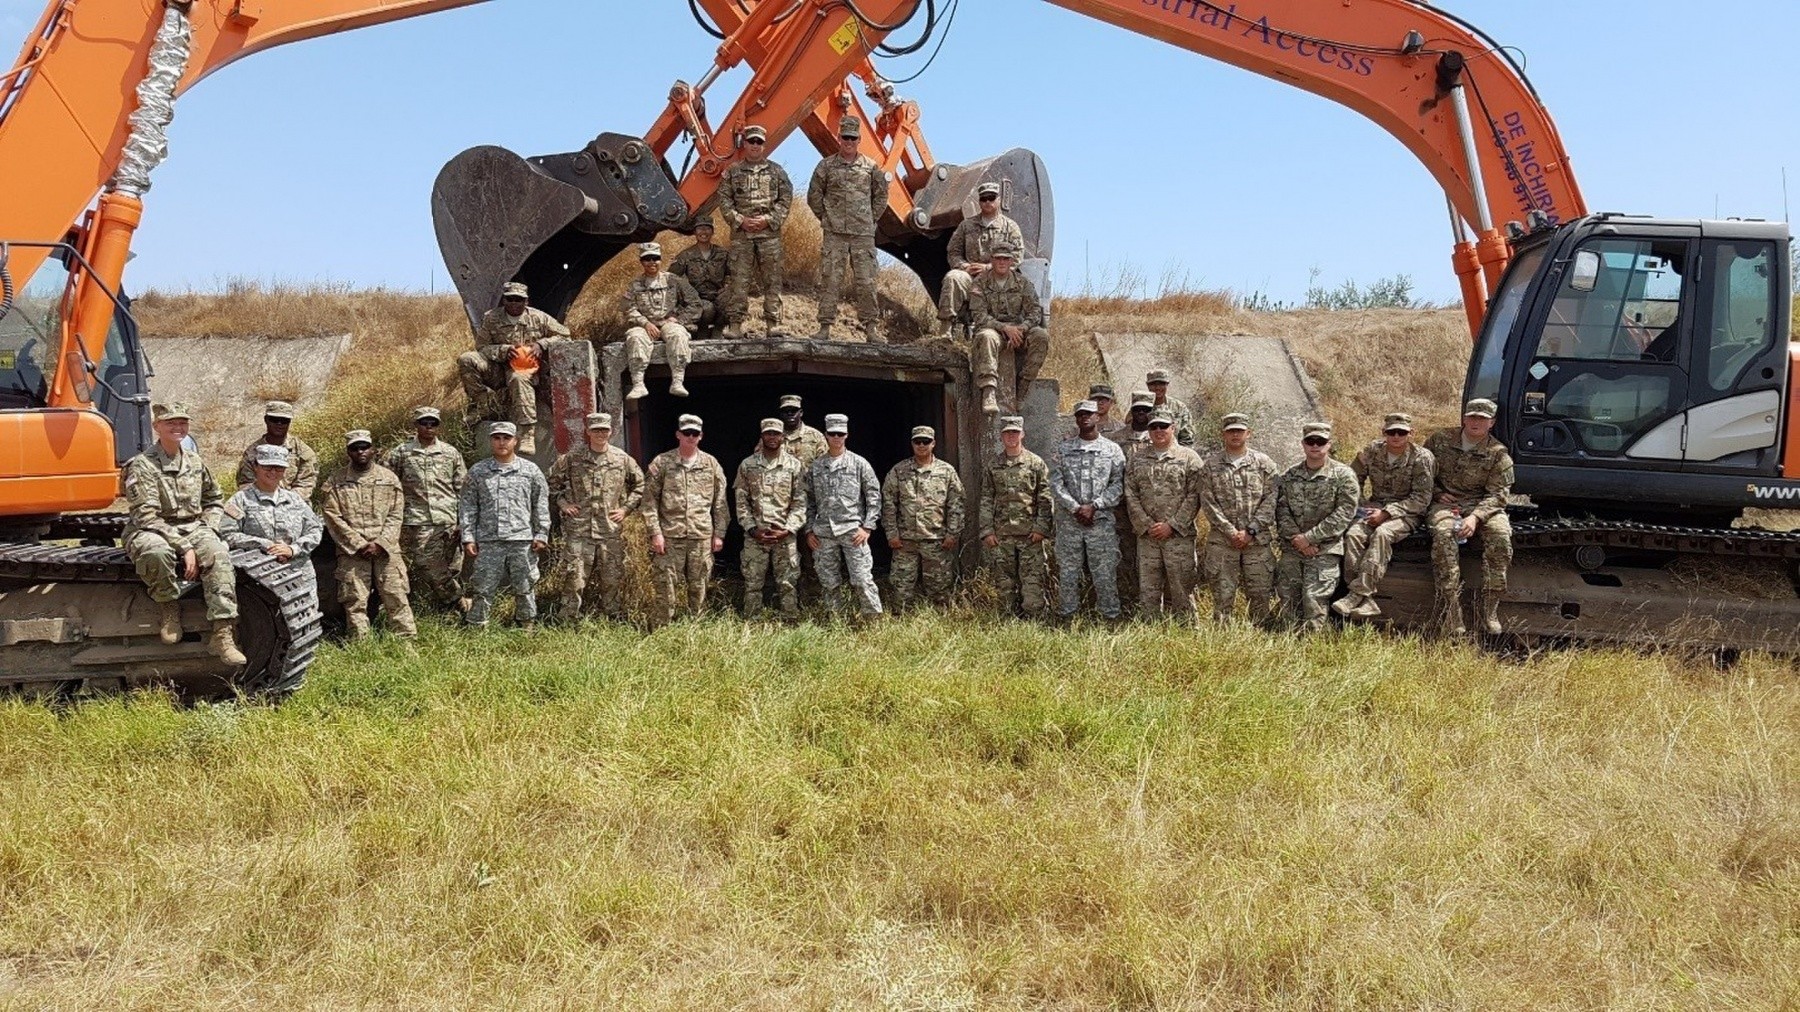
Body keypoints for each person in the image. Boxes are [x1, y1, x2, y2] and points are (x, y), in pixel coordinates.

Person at [124, 402, 245, 664]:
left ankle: (222, 633)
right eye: (171, 423)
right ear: (157, 427)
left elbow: (214, 499)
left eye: (182, 422)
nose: (178, 427)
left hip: (193, 526)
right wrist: (185, 547)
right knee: (156, 552)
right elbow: (146, 516)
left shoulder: (194, 461)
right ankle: (168, 605)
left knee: (218, 554)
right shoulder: (142, 465)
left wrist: (209, 528)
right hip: (151, 528)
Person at [1424, 398, 1515, 635]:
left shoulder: (1498, 454)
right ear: (1464, 418)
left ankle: (1490, 608)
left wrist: (1475, 517)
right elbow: (1421, 473)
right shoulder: (1439, 440)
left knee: (1501, 535)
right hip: (1445, 502)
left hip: (1482, 504)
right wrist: (1437, 492)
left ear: (1491, 422)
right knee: (1443, 534)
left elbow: (1499, 494)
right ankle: (1452, 608)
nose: (1476, 422)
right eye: (1472, 417)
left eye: (1482, 419)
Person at [1332, 412, 1435, 620]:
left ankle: (1357, 594)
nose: (1396, 436)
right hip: (1376, 506)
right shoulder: (1372, 451)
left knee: (1382, 534)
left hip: (1407, 512)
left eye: (1401, 432)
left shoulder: (1422, 458)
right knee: (1353, 535)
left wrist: (1387, 513)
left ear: (1411, 433)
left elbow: (1422, 498)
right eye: (1391, 432)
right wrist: (1362, 504)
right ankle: (1364, 599)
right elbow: (1352, 480)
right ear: (1384, 432)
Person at [319, 429, 417, 640]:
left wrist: (381, 543)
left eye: (364, 447)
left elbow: (396, 514)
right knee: (354, 600)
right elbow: (332, 517)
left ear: (373, 450)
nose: (360, 451)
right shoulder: (335, 482)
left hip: (386, 550)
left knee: (396, 596)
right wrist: (359, 544)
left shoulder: (389, 479)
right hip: (352, 552)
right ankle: (360, 643)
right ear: (348, 452)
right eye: (355, 448)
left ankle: (406, 640)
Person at [547, 411, 644, 622]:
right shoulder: (572, 458)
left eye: (604, 430)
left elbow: (640, 486)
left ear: (611, 431)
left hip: (610, 530)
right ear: (588, 431)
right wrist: (563, 504)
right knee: (574, 578)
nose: (600, 434)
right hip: (580, 530)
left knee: (612, 578)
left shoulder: (622, 459)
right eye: (596, 430)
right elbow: (551, 483)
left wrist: (626, 509)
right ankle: (567, 618)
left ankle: (612, 617)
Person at [457, 281, 571, 456]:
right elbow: (482, 347)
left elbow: (565, 335)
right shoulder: (492, 318)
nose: (514, 303)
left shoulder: (538, 317)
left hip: (529, 370)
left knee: (518, 377)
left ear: (526, 301)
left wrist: (541, 344)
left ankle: (527, 432)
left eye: (519, 299)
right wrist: (502, 350)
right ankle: (484, 405)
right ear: (504, 300)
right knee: (466, 359)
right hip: (499, 368)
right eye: (510, 299)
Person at [459, 422, 551, 629]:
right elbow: (467, 506)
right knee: (483, 587)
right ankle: (477, 626)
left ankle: (526, 626)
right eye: (497, 438)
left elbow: (540, 504)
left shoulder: (530, 471)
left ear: (515, 441)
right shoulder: (478, 471)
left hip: (522, 540)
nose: (502, 442)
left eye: (506, 438)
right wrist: (468, 537)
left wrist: (541, 534)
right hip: (489, 540)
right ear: (491, 441)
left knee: (525, 586)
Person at [642, 413, 729, 624]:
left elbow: (720, 502)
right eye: (687, 432)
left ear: (701, 436)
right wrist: (655, 533)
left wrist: (719, 534)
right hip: (670, 536)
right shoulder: (662, 463)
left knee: (699, 584)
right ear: (678, 434)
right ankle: (662, 627)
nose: (691, 437)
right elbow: (649, 501)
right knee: (665, 584)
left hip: (701, 536)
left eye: (695, 433)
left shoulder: (711, 464)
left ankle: (694, 625)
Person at [807, 115, 887, 343]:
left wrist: (870, 219)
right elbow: (814, 195)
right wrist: (826, 217)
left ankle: (871, 329)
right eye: (845, 137)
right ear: (839, 138)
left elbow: (881, 196)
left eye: (853, 138)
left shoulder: (871, 167)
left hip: (862, 235)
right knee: (830, 280)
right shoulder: (826, 166)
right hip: (835, 234)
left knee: (866, 282)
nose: (849, 142)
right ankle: (824, 327)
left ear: (859, 139)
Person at [1273, 422, 1359, 633]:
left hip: (1324, 549)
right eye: (1310, 441)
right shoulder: (1289, 476)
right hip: (1293, 548)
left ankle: (1312, 645)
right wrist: (1298, 539)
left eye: (1320, 441)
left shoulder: (1343, 475)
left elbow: (1345, 512)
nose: (1315, 446)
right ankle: (1288, 643)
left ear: (1329, 444)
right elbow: (1281, 510)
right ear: (1303, 444)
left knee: (1314, 600)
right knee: (1288, 599)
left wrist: (1310, 538)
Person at [1050, 399, 1128, 621]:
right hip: (1070, 523)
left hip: (1100, 523)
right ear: (1076, 419)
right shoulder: (1063, 449)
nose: (1085, 418)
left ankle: (1110, 618)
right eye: (1080, 414)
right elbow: (1055, 484)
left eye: (1089, 414)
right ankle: (1067, 618)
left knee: (1104, 573)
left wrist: (1095, 506)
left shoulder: (1112, 450)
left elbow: (1119, 484)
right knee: (1068, 573)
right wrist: (1075, 508)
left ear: (1097, 417)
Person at [1199, 412, 1278, 624]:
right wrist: (1231, 532)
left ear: (1248, 433)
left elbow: (1271, 500)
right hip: (1223, 542)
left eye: (1240, 431)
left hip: (1257, 542)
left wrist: (1251, 531)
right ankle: (1223, 635)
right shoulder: (1210, 466)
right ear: (1223, 434)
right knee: (1222, 596)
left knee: (1260, 594)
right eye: (1231, 431)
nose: (1235, 435)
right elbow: (1208, 503)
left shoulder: (1264, 464)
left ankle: (1262, 632)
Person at [1125, 408, 1205, 618]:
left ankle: (1186, 629)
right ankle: (1150, 628)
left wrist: (1173, 525)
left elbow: (1195, 495)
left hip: (1179, 537)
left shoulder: (1190, 458)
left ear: (1173, 428)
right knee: (1148, 589)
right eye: (1154, 427)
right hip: (1148, 536)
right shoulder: (1137, 458)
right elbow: (1130, 493)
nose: (1159, 430)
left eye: (1163, 426)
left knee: (1182, 588)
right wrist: (1146, 524)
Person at [221, 444, 325, 601]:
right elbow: (227, 534)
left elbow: (315, 529)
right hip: (259, 580)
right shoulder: (240, 500)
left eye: (279, 468)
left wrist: (293, 549)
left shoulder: (295, 500)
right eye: (267, 467)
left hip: (299, 574)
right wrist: (263, 544)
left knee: (307, 616)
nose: (273, 472)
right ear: (256, 467)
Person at [389, 406, 468, 612]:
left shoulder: (450, 453)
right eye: (424, 423)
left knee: (452, 567)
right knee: (427, 563)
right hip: (419, 520)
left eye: (433, 423)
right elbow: (388, 484)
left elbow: (463, 489)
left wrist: (463, 520)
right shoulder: (401, 453)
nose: (429, 427)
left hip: (449, 519)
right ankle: (461, 603)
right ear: (416, 425)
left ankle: (446, 614)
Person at [718, 124, 793, 338]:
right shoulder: (733, 172)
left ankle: (773, 324)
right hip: (742, 237)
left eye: (759, 142)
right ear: (745, 144)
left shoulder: (776, 171)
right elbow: (724, 199)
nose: (755, 145)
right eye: (751, 141)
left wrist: (768, 220)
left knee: (772, 280)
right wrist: (740, 220)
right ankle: (735, 325)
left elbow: (785, 199)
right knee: (739, 281)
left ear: (764, 145)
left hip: (769, 236)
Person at [805, 413, 883, 618]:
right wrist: (809, 530)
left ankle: (873, 620)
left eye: (840, 434)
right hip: (824, 532)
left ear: (847, 435)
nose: (836, 438)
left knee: (862, 579)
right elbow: (808, 501)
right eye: (832, 434)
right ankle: (835, 619)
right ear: (826, 435)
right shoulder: (816, 466)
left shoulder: (859, 464)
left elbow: (874, 496)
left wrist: (867, 527)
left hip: (852, 531)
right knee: (828, 582)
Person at [882, 425, 965, 611]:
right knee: (901, 587)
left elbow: (956, 504)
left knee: (939, 586)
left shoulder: (946, 471)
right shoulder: (899, 471)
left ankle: (940, 618)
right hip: (905, 541)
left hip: (936, 540)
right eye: (917, 441)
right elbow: (888, 503)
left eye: (925, 441)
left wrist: (953, 534)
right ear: (912, 444)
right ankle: (901, 618)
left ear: (933, 443)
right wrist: (891, 533)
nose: (921, 445)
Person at [979, 415, 1053, 617]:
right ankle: (1007, 621)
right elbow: (986, 498)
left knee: (1033, 585)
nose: (1011, 436)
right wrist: (987, 531)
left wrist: (1041, 528)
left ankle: (1036, 620)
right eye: (1007, 433)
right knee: (1004, 585)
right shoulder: (993, 465)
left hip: (1030, 535)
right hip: (1002, 536)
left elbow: (1045, 498)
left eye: (1015, 432)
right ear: (1001, 436)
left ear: (1022, 434)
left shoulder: (1035, 463)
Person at [735, 417, 808, 617]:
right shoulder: (748, 465)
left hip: (784, 535)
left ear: (783, 436)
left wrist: (788, 529)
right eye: (768, 433)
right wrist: (752, 529)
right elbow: (741, 502)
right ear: (762, 436)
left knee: (788, 583)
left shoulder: (794, 466)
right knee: (752, 583)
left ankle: (790, 619)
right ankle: (752, 620)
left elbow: (800, 502)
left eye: (776, 433)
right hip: (755, 536)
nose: (772, 437)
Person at [937, 180, 1026, 339]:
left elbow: (1017, 256)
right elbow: (953, 251)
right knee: (953, 277)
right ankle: (946, 331)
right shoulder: (966, 225)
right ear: (979, 201)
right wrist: (964, 266)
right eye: (984, 198)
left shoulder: (1010, 227)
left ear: (999, 200)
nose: (987, 202)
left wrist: (989, 268)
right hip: (970, 277)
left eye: (991, 198)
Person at [968, 245, 1049, 415]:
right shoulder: (980, 283)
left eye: (1006, 258)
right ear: (991, 260)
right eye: (998, 258)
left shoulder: (1022, 283)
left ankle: (1024, 386)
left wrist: (1021, 328)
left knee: (1040, 336)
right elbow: (979, 316)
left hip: (1018, 330)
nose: (1002, 262)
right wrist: (1004, 328)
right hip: (993, 329)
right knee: (986, 337)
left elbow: (1035, 311)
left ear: (1012, 261)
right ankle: (989, 391)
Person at [623, 242, 704, 401]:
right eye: (647, 259)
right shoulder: (635, 285)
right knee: (635, 337)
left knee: (678, 335)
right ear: (641, 262)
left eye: (655, 258)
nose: (652, 262)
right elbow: (628, 308)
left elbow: (695, 303)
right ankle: (638, 384)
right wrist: (645, 323)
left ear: (660, 260)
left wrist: (678, 319)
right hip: (646, 326)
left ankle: (678, 381)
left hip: (669, 323)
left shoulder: (673, 280)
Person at [234, 400, 319, 501]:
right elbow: (246, 485)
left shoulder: (303, 452)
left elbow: (305, 484)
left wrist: (283, 502)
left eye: (284, 420)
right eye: (274, 419)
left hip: (294, 503)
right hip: (259, 502)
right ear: (266, 420)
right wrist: (266, 501)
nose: (279, 424)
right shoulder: (252, 453)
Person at [669, 220, 731, 340]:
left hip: (718, 295)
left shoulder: (723, 253)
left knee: (734, 302)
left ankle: (718, 329)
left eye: (707, 228)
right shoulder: (686, 255)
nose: (703, 232)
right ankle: (702, 330)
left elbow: (734, 274)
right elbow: (671, 277)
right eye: (700, 228)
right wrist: (685, 292)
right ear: (694, 232)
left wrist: (727, 287)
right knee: (707, 309)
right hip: (697, 298)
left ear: (712, 231)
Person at [764, 393, 829, 469]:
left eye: (793, 411)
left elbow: (825, 465)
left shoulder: (816, 436)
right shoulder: (771, 437)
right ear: (781, 414)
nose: (790, 414)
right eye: (786, 411)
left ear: (801, 413)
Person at [1146, 368, 1196, 448]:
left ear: (1167, 384)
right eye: (1153, 384)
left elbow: (1187, 439)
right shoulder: (1140, 409)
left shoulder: (1179, 407)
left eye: (1162, 384)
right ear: (1148, 386)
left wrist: (1178, 453)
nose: (1157, 388)